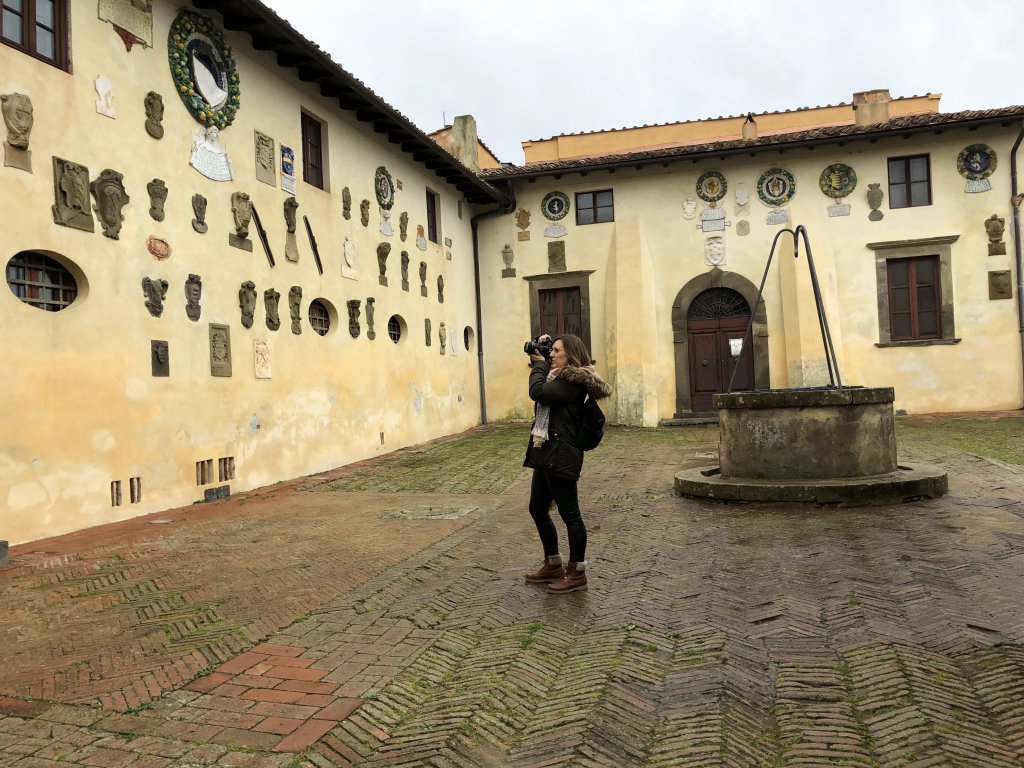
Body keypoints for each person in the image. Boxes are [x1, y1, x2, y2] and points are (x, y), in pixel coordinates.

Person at [523, 333, 611, 593]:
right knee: (537, 508)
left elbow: (537, 391)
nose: (551, 354)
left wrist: (538, 363)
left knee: (570, 514)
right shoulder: (557, 377)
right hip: (547, 451)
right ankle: (553, 563)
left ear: (570, 355)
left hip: (562, 454)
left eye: (557, 351)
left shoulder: (572, 381)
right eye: (552, 350)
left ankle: (577, 572)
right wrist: (544, 348)